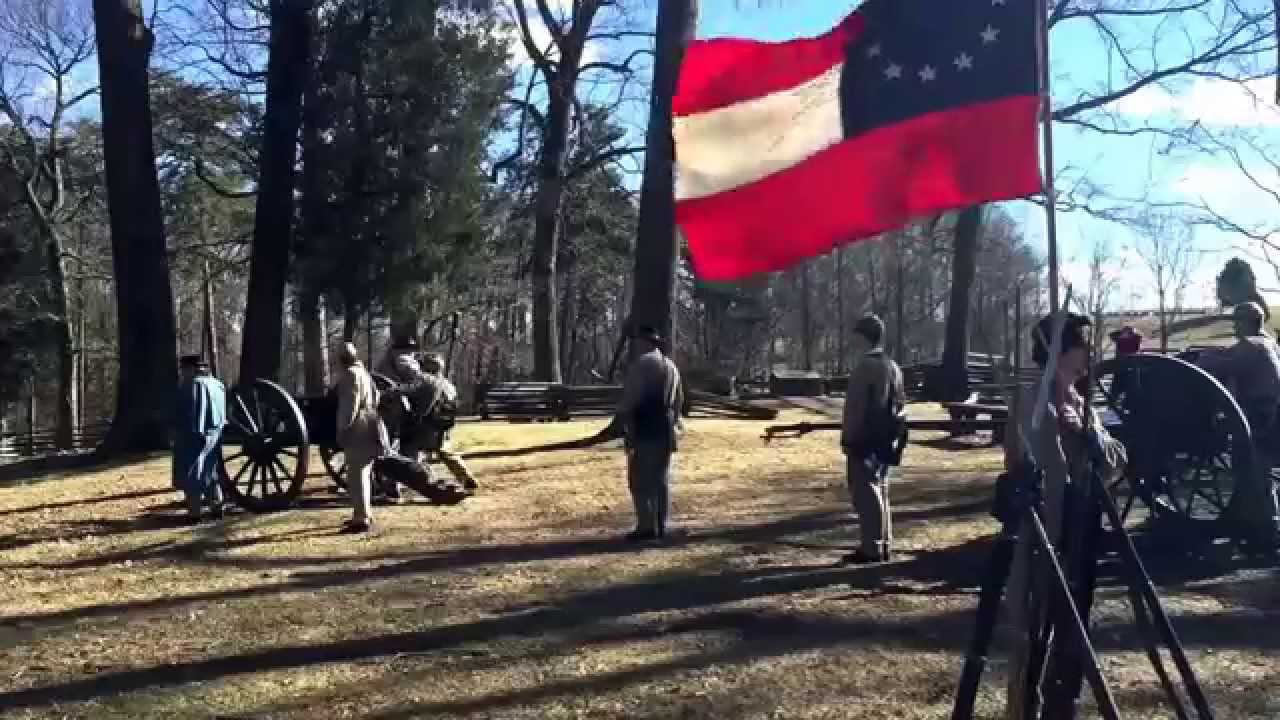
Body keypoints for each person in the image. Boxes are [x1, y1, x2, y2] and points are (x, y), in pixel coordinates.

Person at [1001, 311, 1128, 717]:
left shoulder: (1083, 403)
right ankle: (1024, 708)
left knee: (1073, 630)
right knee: (1031, 629)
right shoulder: (1031, 402)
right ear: (1058, 350)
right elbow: (1035, 471)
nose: (1088, 352)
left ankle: (1063, 706)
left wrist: (1087, 435)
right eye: (1080, 344)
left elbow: (1117, 461)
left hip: (1081, 535)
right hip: (1044, 534)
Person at [1193, 301, 1280, 552]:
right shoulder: (1268, 343)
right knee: (1254, 473)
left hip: (1256, 418)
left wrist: (1203, 358)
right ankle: (1256, 525)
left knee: (1252, 472)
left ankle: (1264, 531)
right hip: (1265, 415)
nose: (1234, 327)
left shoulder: (1251, 346)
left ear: (1248, 322)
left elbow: (1217, 366)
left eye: (1237, 322)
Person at [839, 314, 905, 564]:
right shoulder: (894, 366)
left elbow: (856, 408)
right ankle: (884, 542)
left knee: (866, 492)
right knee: (882, 490)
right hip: (887, 438)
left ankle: (872, 547)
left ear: (862, 336)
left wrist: (849, 438)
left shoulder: (866, 367)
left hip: (865, 438)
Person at [617, 324, 684, 542]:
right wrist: (673, 425)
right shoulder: (672, 367)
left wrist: (629, 430)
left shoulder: (641, 365)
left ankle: (646, 526)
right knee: (660, 479)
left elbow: (630, 401)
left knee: (639, 479)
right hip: (665, 427)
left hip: (645, 426)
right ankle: (661, 524)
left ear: (644, 343)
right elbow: (678, 401)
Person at [389, 351, 478, 492]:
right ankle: (465, 477)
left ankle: (398, 485)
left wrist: (391, 390)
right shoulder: (449, 385)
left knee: (406, 452)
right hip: (444, 426)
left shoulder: (425, 380)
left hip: (425, 427)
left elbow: (407, 390)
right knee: (447, 453)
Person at [335, 342, 386, 533]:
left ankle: (361, 518)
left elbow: (350, 404)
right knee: (363, 471)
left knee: (356, 473)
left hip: (358, 426)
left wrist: (343, 428)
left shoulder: (350, 375)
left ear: (342, 358)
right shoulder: (364, 373)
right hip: (370, 420)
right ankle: (364, 513)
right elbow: (377, 395)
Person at [173, 355, 227, 522]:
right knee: (210, 471)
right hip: (215, 433)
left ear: (190, 369)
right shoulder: (218, 384)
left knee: (192, 473)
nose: (181, 373)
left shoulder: (192, 384)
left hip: (193, 433)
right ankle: (217, 507)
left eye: (183, 369)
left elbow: (187, 410)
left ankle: (194, 513)